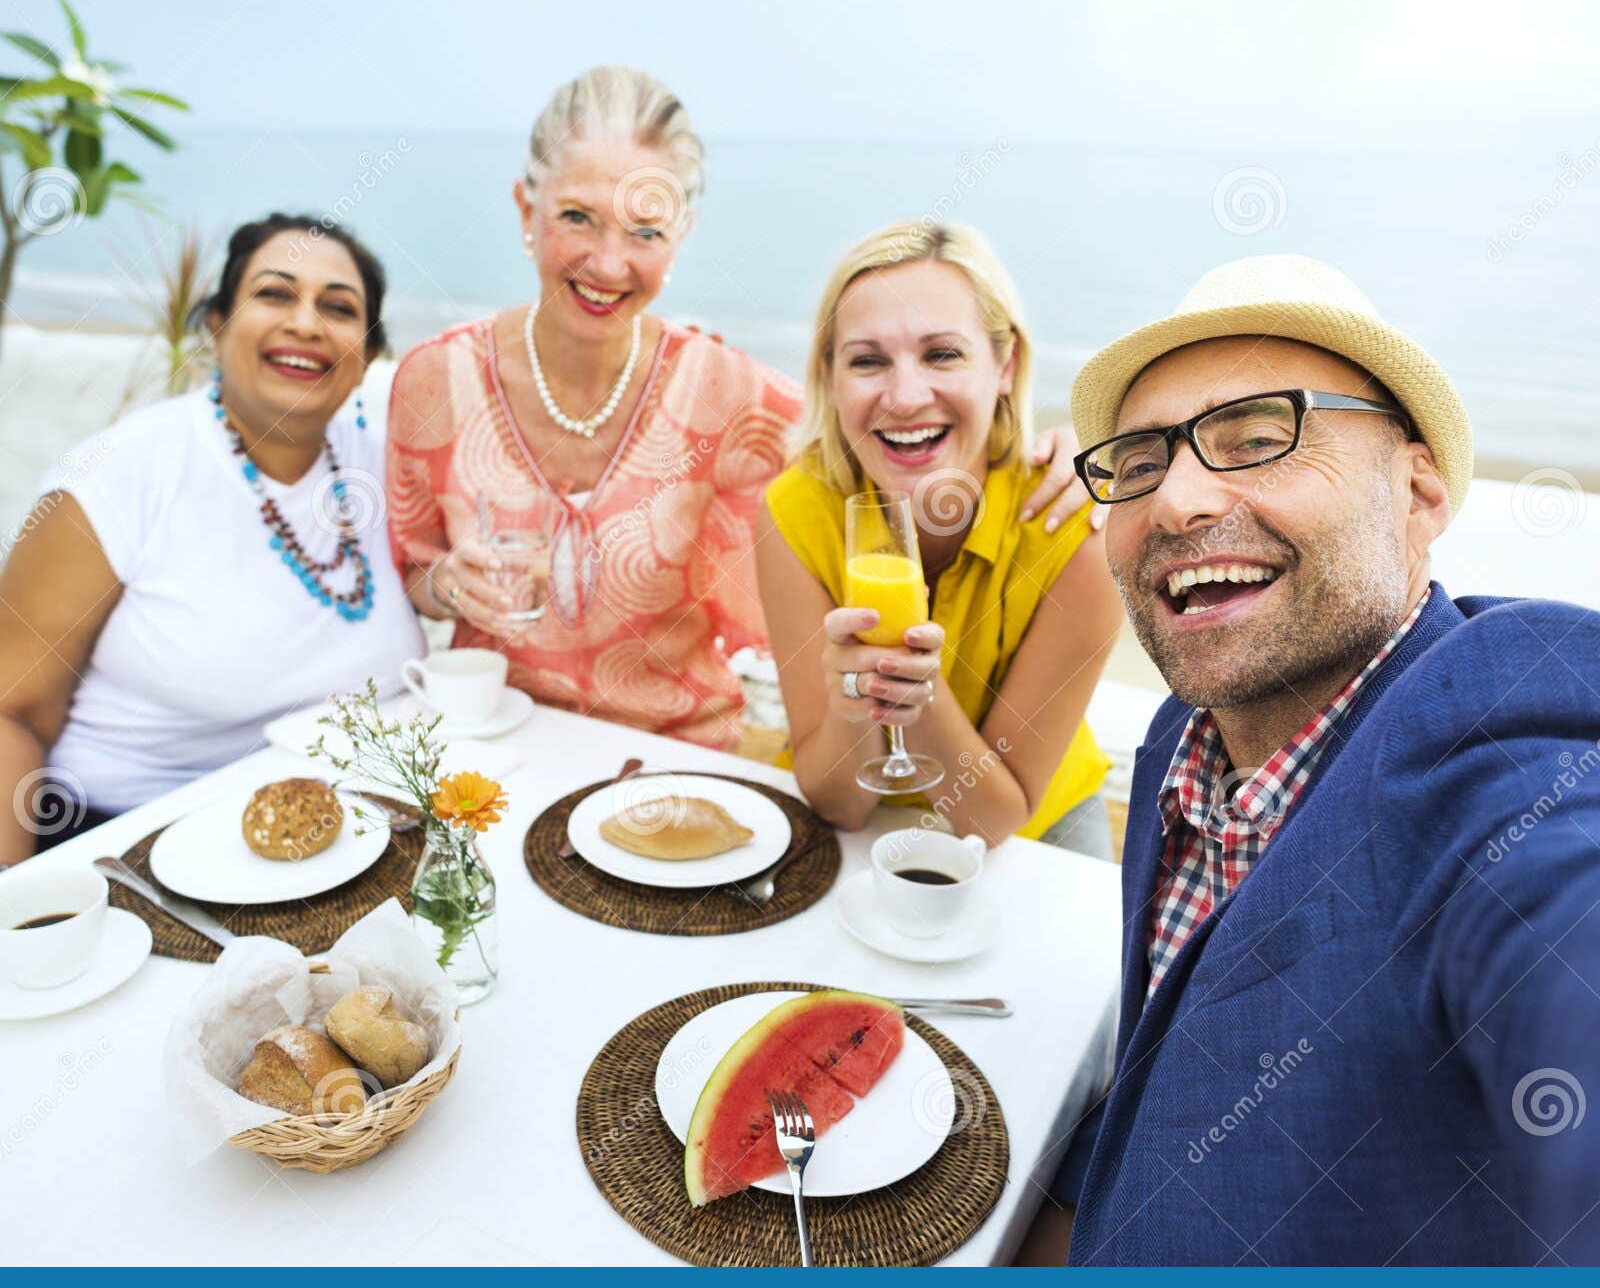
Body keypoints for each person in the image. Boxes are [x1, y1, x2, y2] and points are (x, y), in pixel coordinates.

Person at [1058, 254, 1600, 1264]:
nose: (1175, 500)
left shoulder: (1500, 750)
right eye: (1135, 465)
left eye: (1259, 437)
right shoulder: (1181, 735)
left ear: (1419, 492)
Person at [388, 66, 1095, 754]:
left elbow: (895, 428)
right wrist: (448, 584)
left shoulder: (730, 394)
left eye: (645, 231)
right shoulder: (433, 380)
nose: (607, 263)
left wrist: (1064, 445)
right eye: (578, 217)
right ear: (526, 210)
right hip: (494, 748)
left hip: (678, 761)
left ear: (682, 234)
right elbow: (411, 577)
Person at [0, 214, 425, 862]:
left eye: (338, 308)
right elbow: (10, 712)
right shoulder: (117, 476)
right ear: (218, 325)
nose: (306, 323)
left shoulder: (387, 468)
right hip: (127, 845)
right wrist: (17, 898)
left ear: (368, 355)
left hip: (340, 835)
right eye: (274, 294)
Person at [757, 221, 1122, 850]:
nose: (904, 397)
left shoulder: (1076, 529)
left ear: (1005, 365)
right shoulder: (798, 511)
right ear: (830, 377)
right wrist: (853, 711)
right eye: (868, 361)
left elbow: (994, 818)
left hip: (1036, 829)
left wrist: (915, 696)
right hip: (866, 824)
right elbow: (840, 804)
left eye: (942, 354)